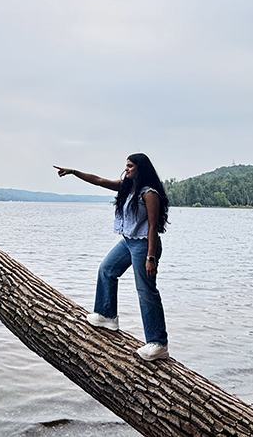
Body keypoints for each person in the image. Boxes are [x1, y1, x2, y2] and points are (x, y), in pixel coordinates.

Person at [54, 153, 170, 361]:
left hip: (144, 245)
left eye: (130, 166)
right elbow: (98, 181)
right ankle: (107, 315)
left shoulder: (149, 193)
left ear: (140, 168)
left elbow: (154, 227)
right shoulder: (127, 187)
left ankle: (158, 343)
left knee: (146, 291)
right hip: (128, 241)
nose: (126, 169)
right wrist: (74, 172)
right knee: (107, 269)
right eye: (126, 166)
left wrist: (151, 257)